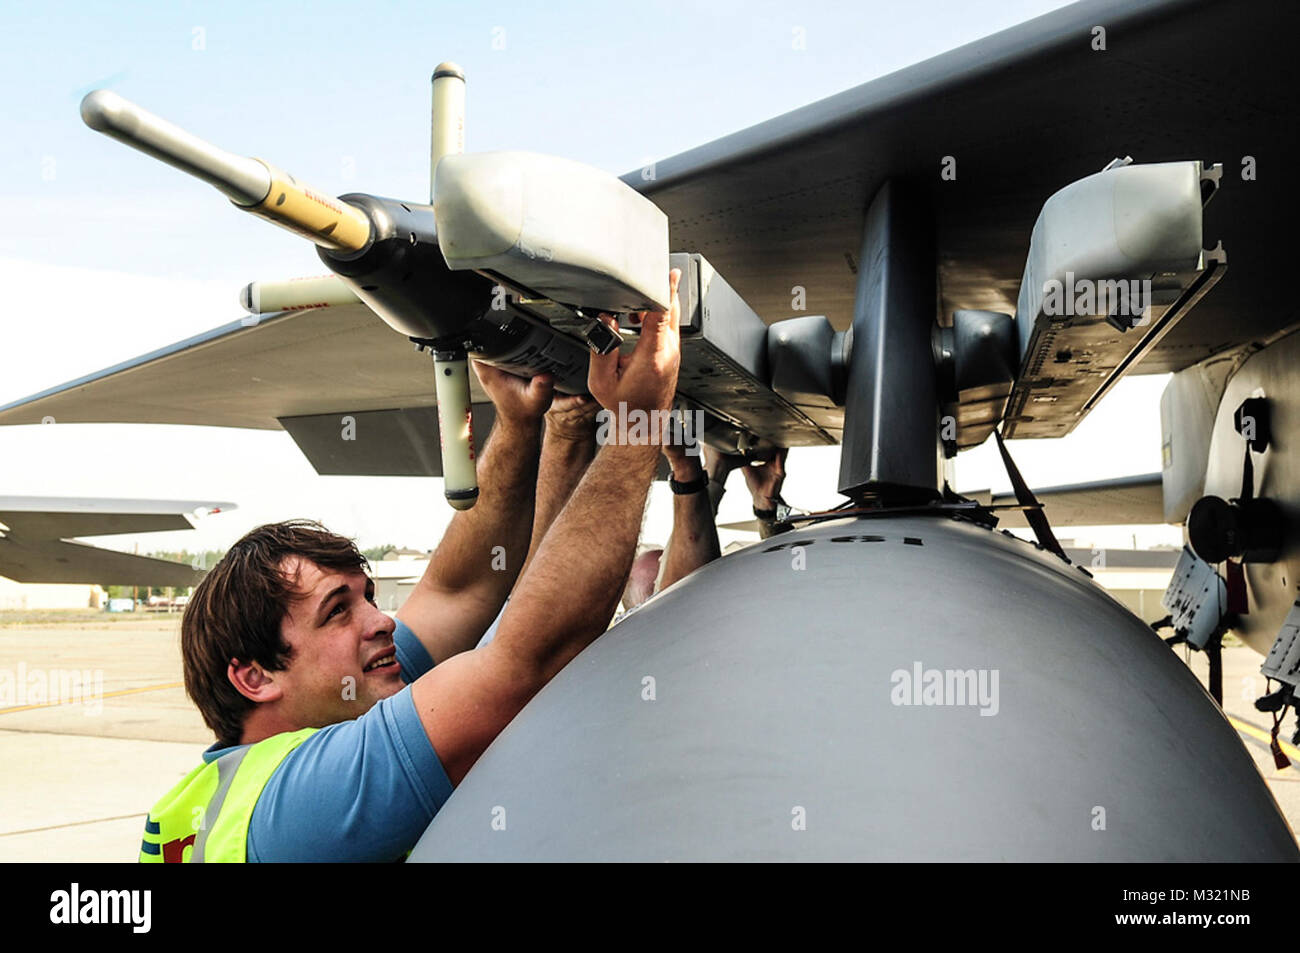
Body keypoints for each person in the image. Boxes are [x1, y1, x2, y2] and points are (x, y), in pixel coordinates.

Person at [139, 270, 683, 862]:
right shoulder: (308, 802)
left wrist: (526, 421)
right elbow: (528, 660)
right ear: (256, 678)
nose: (382, 622)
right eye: (336, 613)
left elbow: (460, 587)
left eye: (366, 597)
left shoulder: (230, 788)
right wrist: (638, 423)